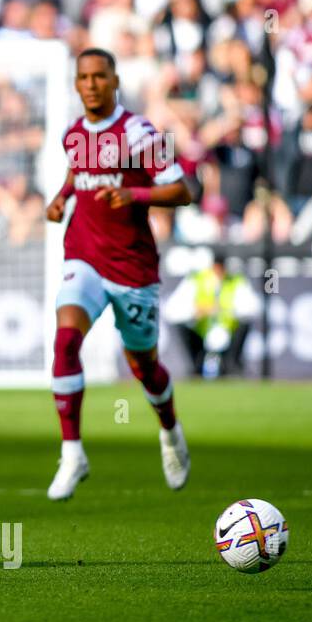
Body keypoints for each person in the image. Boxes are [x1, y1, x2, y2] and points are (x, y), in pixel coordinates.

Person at [44, 48, 194, 501]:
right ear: (76, 84)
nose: (90, 84)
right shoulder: (73, 134)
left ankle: (170, 432)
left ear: (115, 81)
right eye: (83, 77)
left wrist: (134, 195)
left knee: (143, 367)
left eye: (99, 76)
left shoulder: (141, 131)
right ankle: (72, 453)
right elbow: (78, 171)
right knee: (66, 339)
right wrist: (61, 196)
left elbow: (183, 190)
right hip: (83, 255)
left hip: (132, 265)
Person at [162, 253, 260, 378]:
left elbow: (252, 308)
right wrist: (196, 310)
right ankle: (195, 365)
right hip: (202, 335)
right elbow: (171, 310)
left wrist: (225, 310)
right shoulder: (196, 279)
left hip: (228, 333)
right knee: (181, 326)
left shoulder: (236, 281)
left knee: (244, 325)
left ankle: (232, 365)